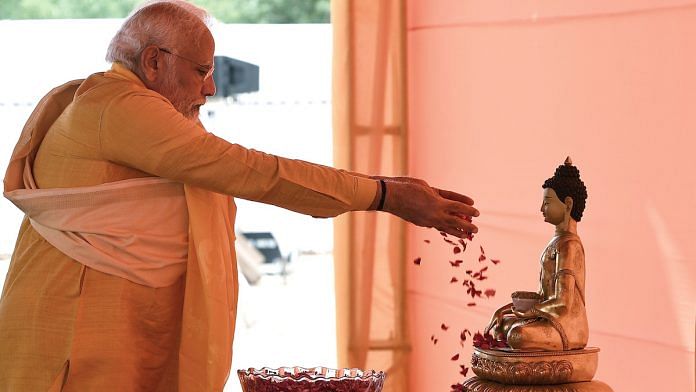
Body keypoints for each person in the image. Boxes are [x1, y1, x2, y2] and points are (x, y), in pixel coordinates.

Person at [0, 1, 479, 391]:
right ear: (153, 61)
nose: (209, 88)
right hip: (75, 333)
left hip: (121, 330)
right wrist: (382, 195)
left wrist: (383, 188)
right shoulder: (118, 106)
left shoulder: (129, 106)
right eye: (202, 70)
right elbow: (250, 171)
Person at [484, 157, 588, 351]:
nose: (541, 209)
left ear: (568, 203)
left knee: (517, 334)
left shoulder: (570, 245)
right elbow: (544, 296)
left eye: (547, 202)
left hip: (567, 326)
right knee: (502, 326)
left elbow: (563, 303)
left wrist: (529, 312)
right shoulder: (556, 242)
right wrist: (505, 310)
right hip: (548, 317)